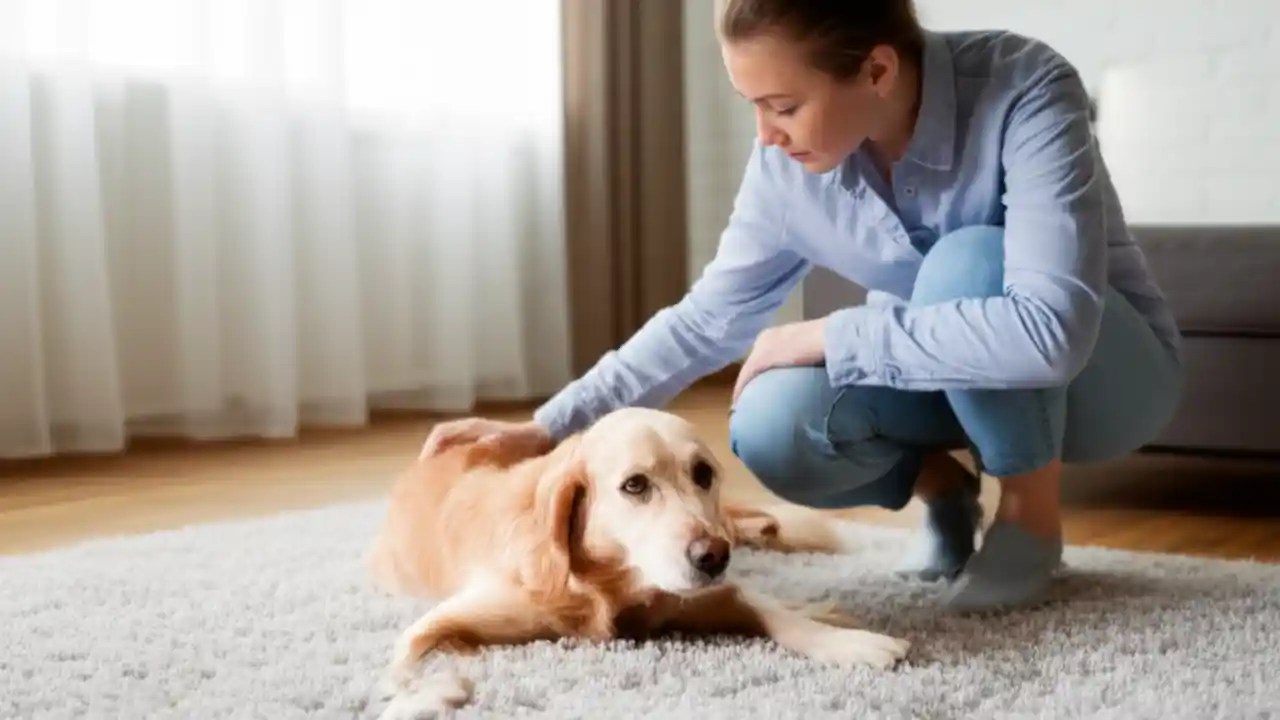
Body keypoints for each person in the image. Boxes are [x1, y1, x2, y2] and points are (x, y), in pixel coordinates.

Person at [423, 0, 1183, 613]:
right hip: (949, 383)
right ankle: (943, 490)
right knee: (770, 421)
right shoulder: (785, 164)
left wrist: (832, 334)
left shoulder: (1026, 88)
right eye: (751, 104)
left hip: (1100, 383)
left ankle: (1028, 521)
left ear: (877, 69)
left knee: (967, 262)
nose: (765, 133)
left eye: (782, 104)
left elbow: (1049, 333)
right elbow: (704, 321)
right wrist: (548, 426)